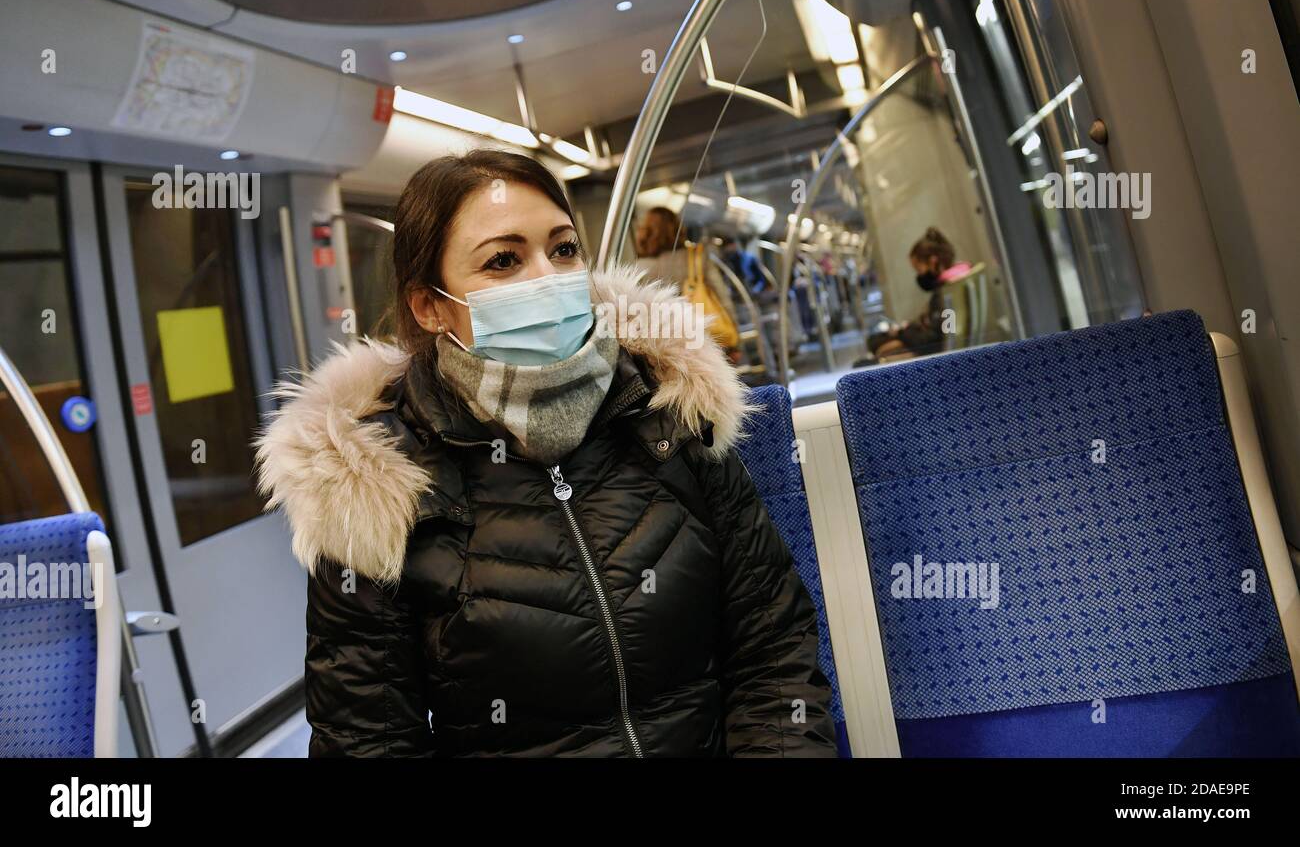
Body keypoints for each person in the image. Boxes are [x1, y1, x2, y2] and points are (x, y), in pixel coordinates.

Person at [255, 149, 838, 758]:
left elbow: (772, 645)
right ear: (430, 306)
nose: (548, 278)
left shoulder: (669, 412)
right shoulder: (373, 486)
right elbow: (367, 740)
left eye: (563, 250)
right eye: (503, 261)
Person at [865, 227, 973, 362]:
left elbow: (940, 338)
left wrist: (902, 334)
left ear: (933, 262)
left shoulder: (948, 293)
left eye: (919, 269)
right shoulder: (950, 288)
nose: (920, 275)